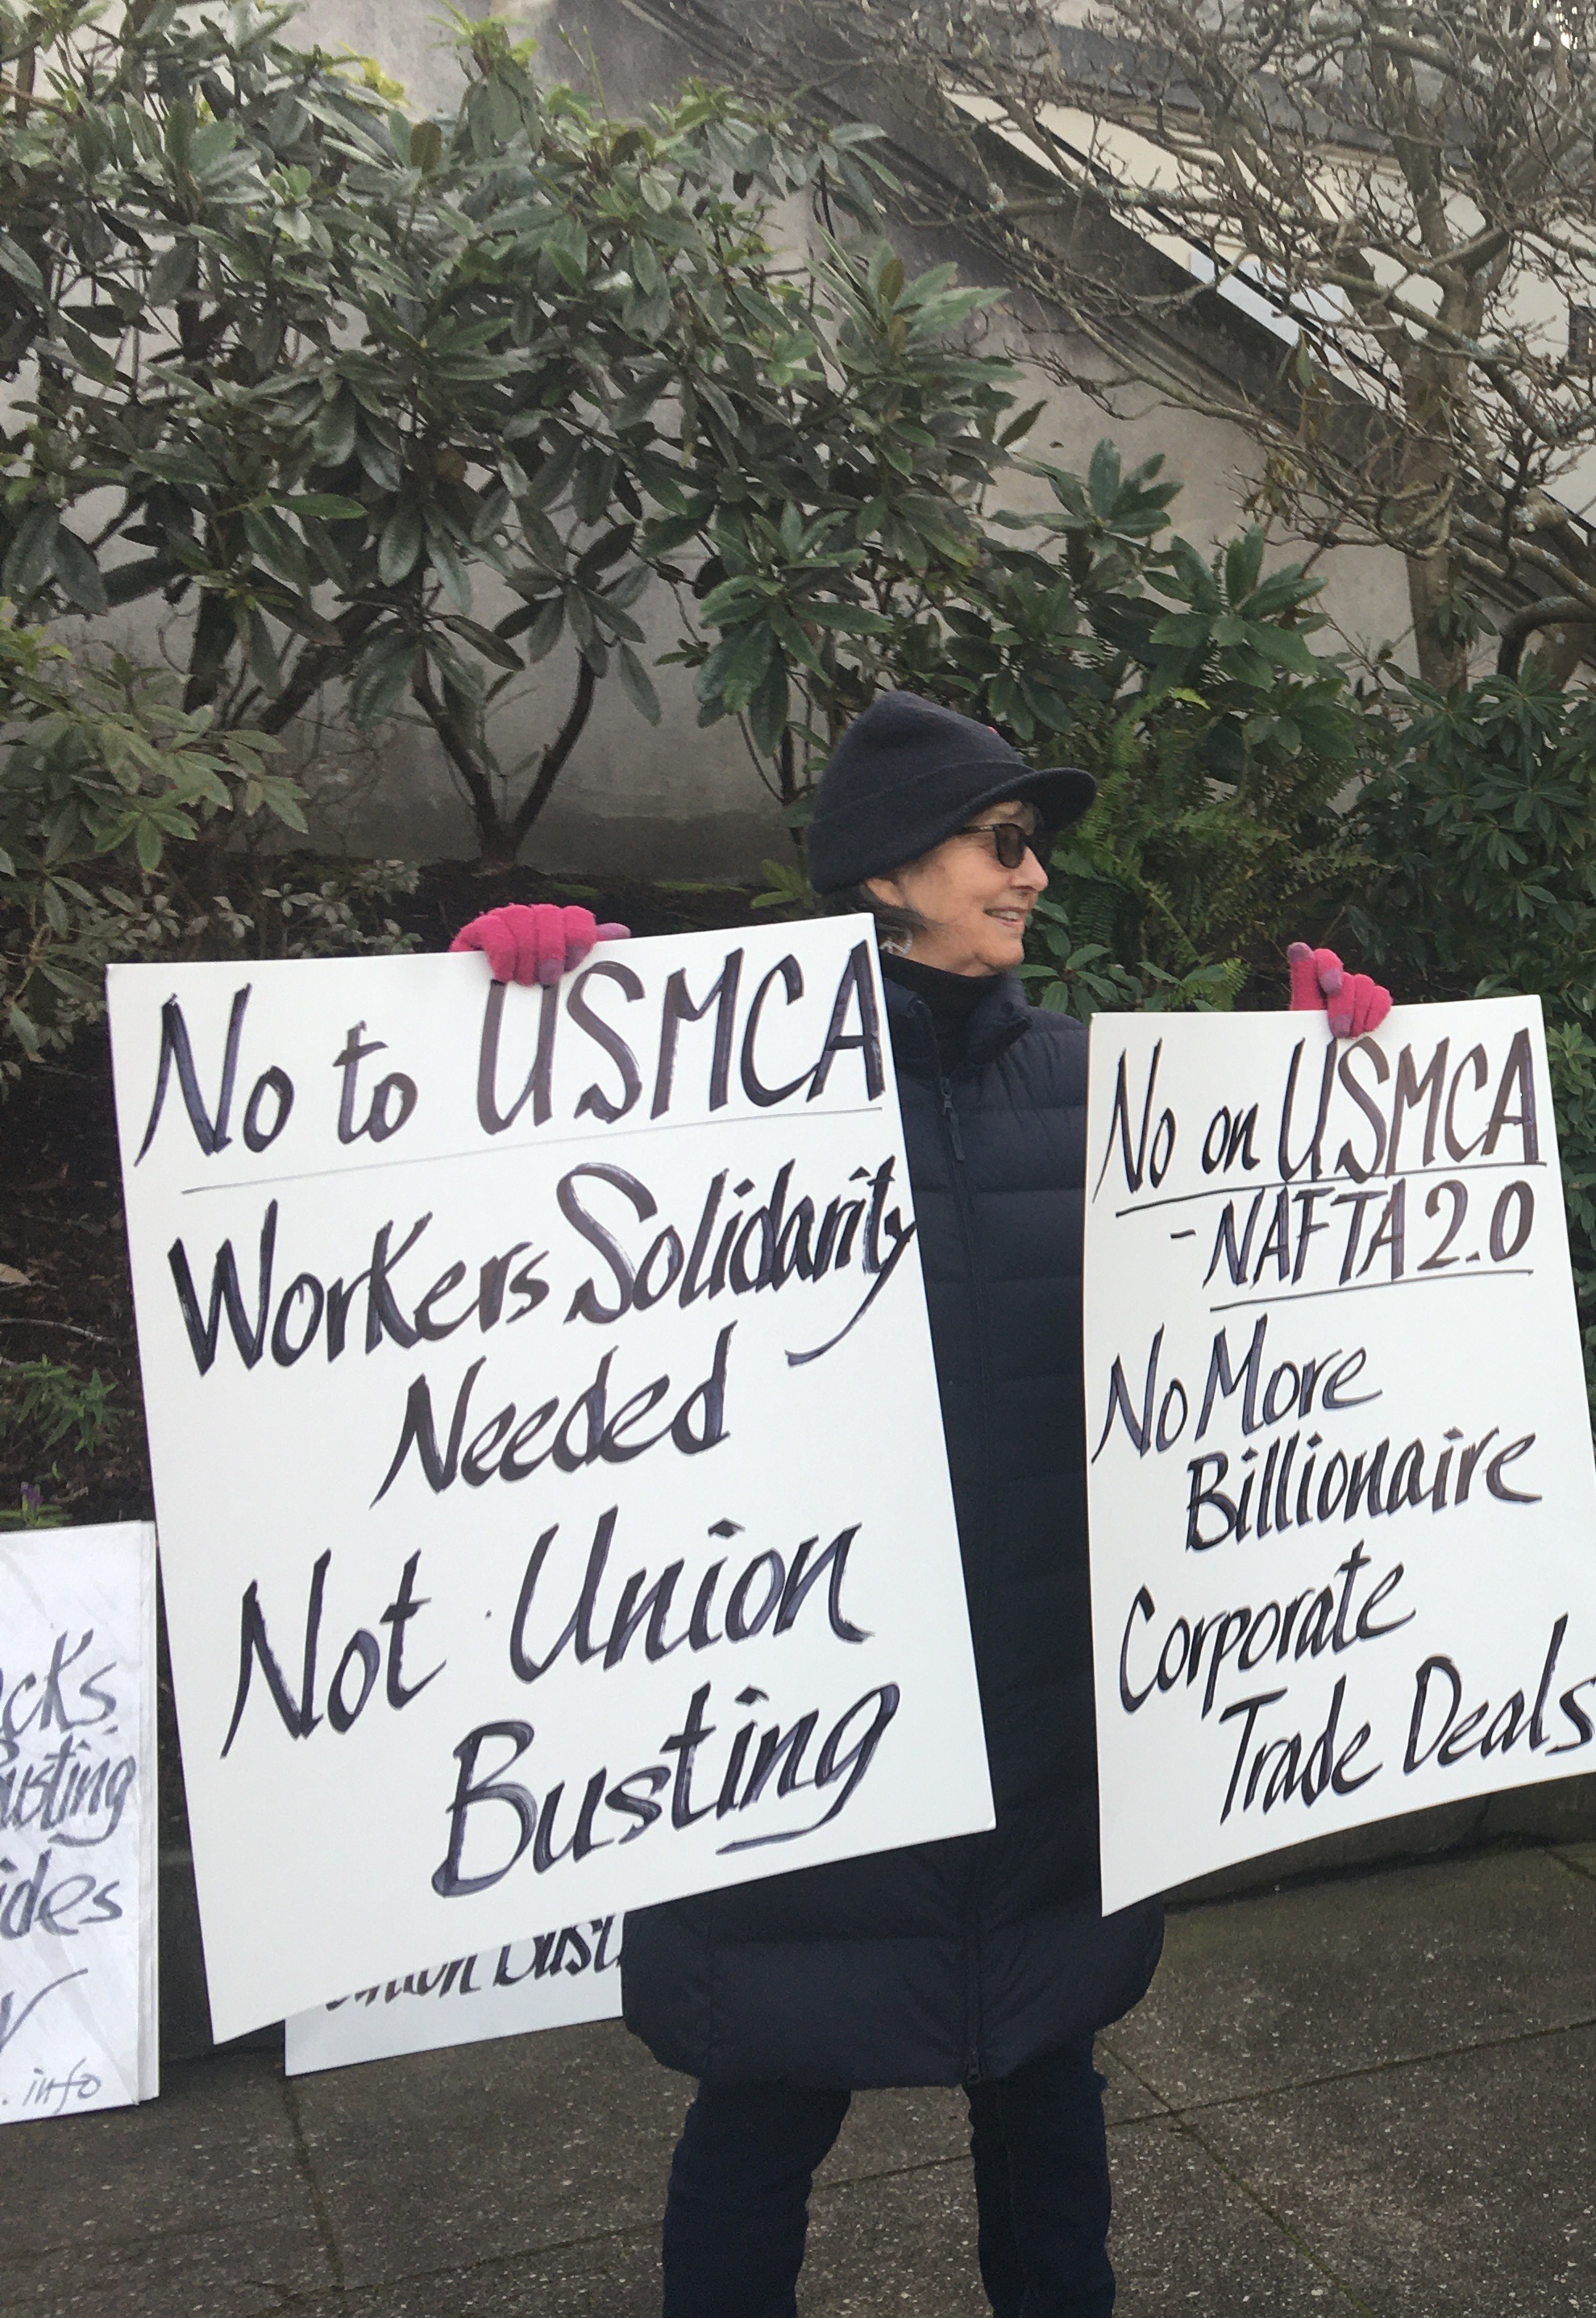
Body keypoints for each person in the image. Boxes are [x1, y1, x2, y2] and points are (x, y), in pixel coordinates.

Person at [454, 688, 1387, 2318]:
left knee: (1046, 2101)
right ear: (887, 873)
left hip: (1033, 1726)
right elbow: (515, 1264)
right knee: (765, 2100)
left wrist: (1345, 1084)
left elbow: (1260, 1294)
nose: (1032, 877)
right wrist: (518, 1016)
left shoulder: (1102, 1093)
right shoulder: (708, 1099)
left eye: (1035, 850)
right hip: (798, 1734)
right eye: (1002, 843)